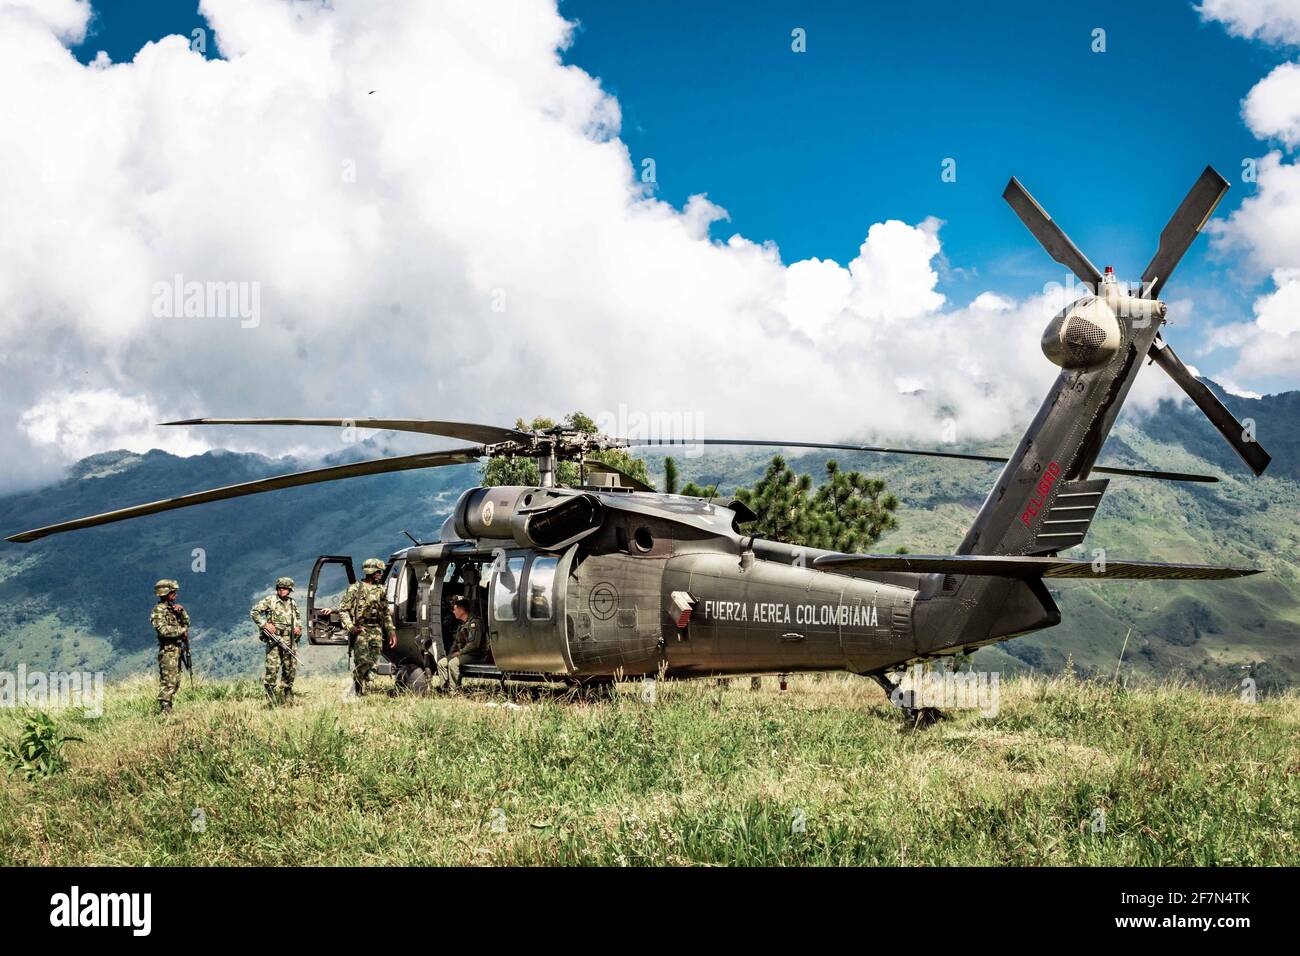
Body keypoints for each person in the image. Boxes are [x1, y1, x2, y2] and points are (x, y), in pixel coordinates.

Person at [338, 558, 395, 696]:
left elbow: (385, 612)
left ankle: (365, 690)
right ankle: (358, 689)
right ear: (370, 571)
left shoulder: (381, 589)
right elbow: (343, 610)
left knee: (373, 664)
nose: (380, 574)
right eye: (378, 571)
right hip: (361, 630)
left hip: (376, 630)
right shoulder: (355, 589)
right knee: (362, 662)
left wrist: (391, 631)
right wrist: (351, 627)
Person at [250, 576, 301, 703]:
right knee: (272, 667)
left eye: (285, 589)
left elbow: (298, 619)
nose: (282, 591)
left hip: (290, 640)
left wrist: (298, 628)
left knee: (290, 667)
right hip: (274, 640)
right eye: (280, 588)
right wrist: (264, 625)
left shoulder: (292, 603)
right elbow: (254, 612)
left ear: (290, 590)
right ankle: (270, 693)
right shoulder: (271, 600)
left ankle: (287, 690)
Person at [150, 579, 189, 714]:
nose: (175, 595)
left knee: (176, 680)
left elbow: (187, 623)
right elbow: (163, 631)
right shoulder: (158, 611)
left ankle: (168, 706)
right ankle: (165, 708)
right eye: (173, 592)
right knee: (169, 680)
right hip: (168, 650)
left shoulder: (173, 609)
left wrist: (182, 612)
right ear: (165, 593)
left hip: (177, 649)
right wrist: (182, 632)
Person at [433, 598, 487, 694]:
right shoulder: (463, 624)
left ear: (461, 610)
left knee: (453, 663)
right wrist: (450, 654)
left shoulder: (474, 623)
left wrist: (459, 653)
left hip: (476, 655)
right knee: (441, 663)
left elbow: (474, 645)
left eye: (455, 609)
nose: (453, 612)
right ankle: (444, 689)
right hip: (465, 653)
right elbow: (456, 642)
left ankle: (454, 692)